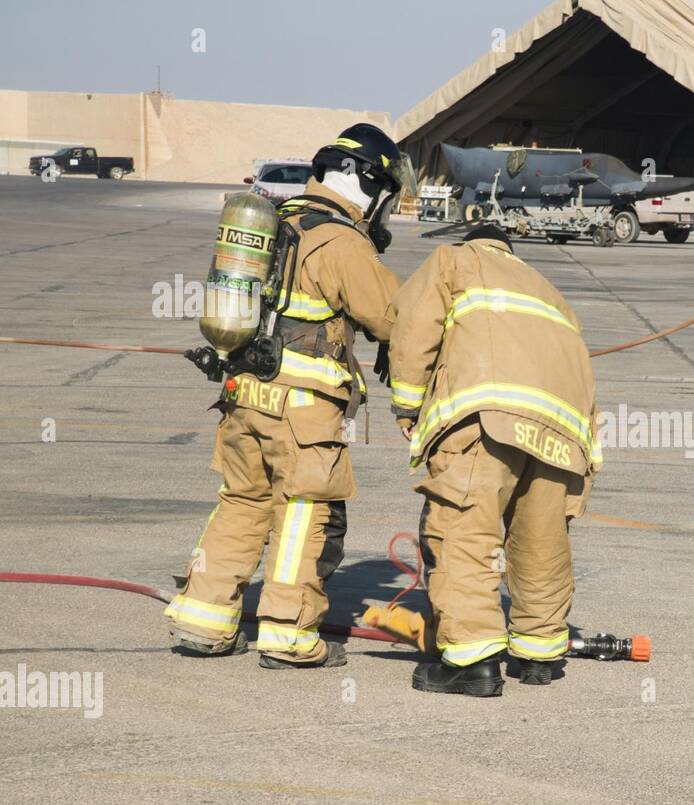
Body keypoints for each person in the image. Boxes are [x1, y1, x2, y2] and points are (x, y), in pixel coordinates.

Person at [165, 124, 411, 668]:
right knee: (302, 512)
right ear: (367, 183)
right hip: (302, 409)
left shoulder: (280, 223)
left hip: (244, 395)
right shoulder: (340, 240)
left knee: (242, 502)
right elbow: (394, 317)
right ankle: (287, 633)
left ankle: (203, 619)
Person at [387, 225, 601, 697]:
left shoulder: (455, 260)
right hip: (561, 433)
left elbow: (416, 324)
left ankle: (472, 660)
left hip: (486, 416)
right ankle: (538, 652)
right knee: (540, 538)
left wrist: (407, 405)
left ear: (473, 242)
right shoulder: (548, 290)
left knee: (465, 528)